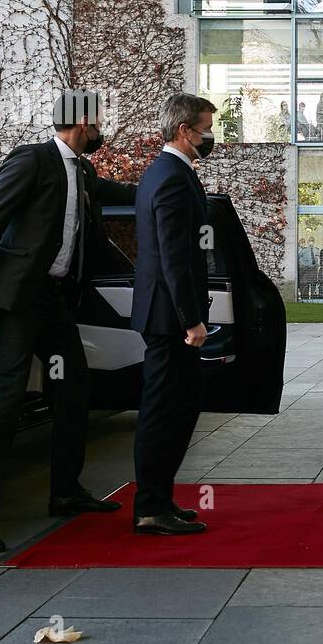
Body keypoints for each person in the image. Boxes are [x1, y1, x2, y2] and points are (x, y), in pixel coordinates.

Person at [0, 89, 134, 552]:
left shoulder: (84, 170)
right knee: (6, 397)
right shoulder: (31, 160)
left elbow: (120, 194)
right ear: (81, 124)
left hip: (54, 300)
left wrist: (171, 185)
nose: (101, 132)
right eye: (97, 124)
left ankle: (65, 492)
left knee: (75, 386)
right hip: (15, 300)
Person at [129, 93, 217, 536]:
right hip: (169, 318)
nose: (209, 137)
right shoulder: (171, 177)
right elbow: (174, 257)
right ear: (185, 131)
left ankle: (160, 498)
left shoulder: (169, 173)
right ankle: (149, 507)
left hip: (168, 314)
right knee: (163, 410)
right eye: (204, 128)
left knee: (181, 403)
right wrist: (191, 319)